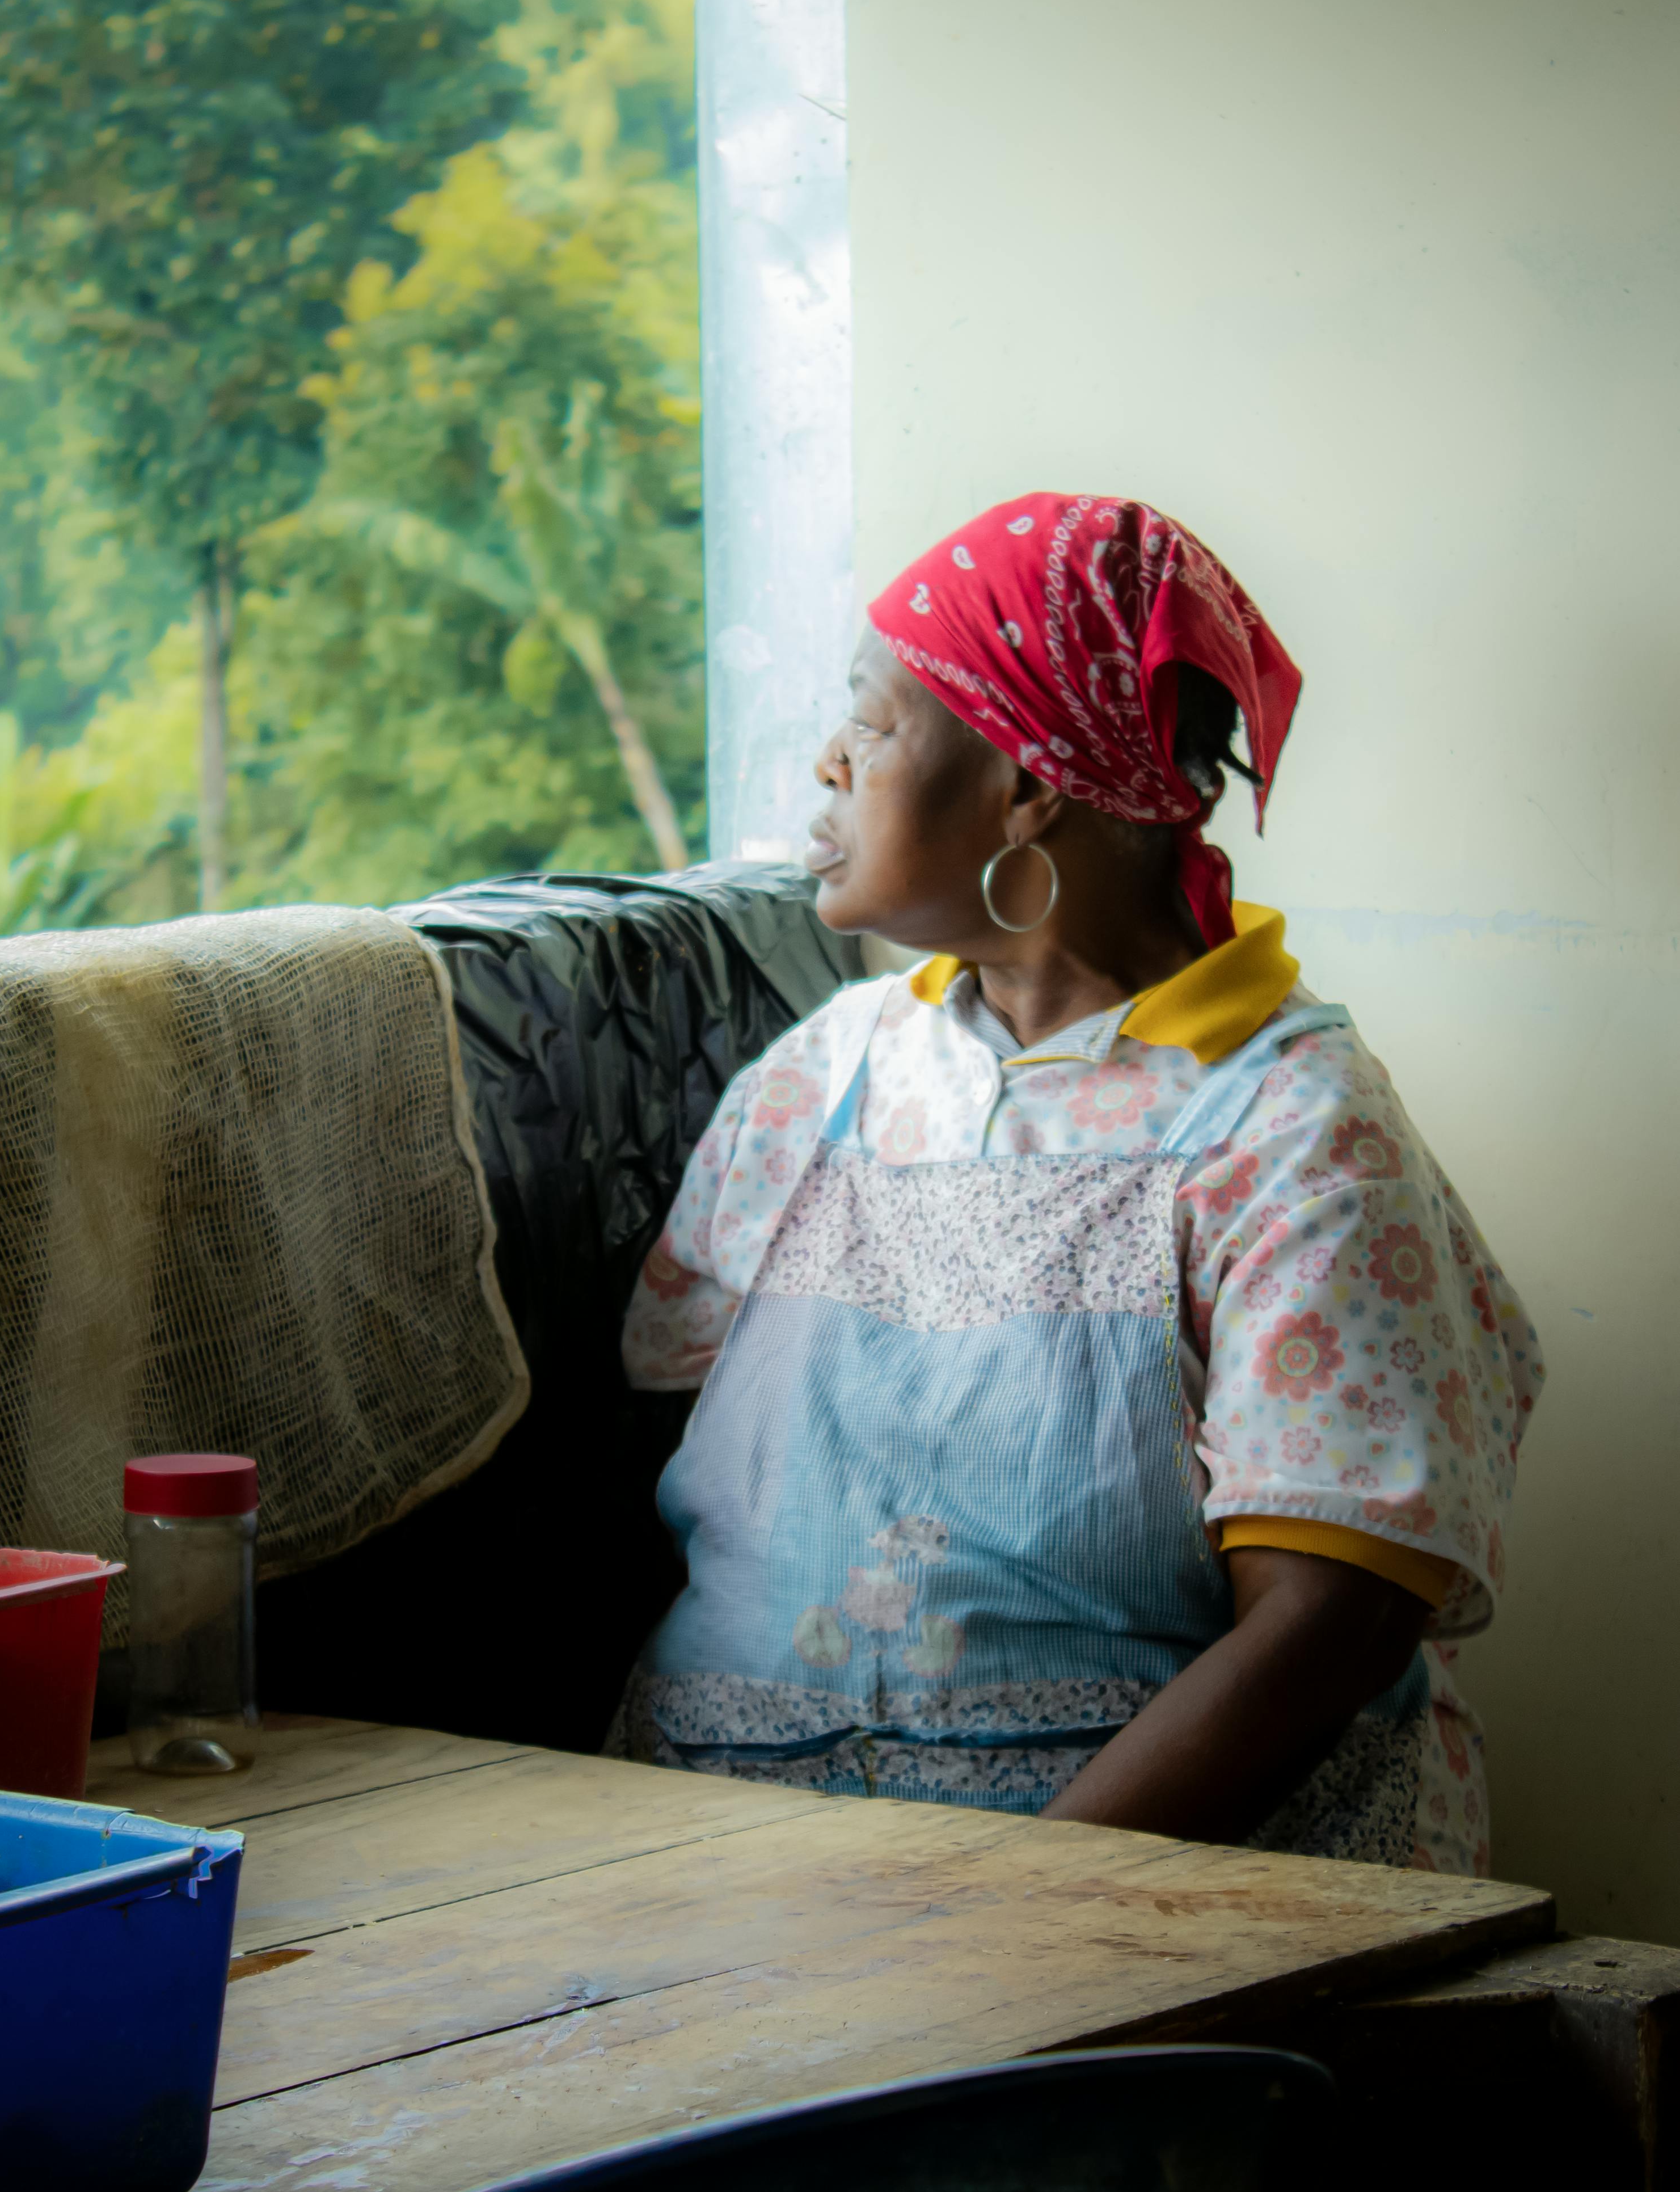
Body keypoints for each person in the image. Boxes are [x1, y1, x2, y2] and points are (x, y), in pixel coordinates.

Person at [610, 493, 1541, 1874]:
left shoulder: (1289, 1128)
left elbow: (1330, 1627)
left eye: (869, 726)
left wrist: (1016, 1916)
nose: (824, 762)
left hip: (1116, 1896)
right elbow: (673, 1427)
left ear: (1029, 784)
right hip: (730, 1858)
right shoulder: (827, 1076)